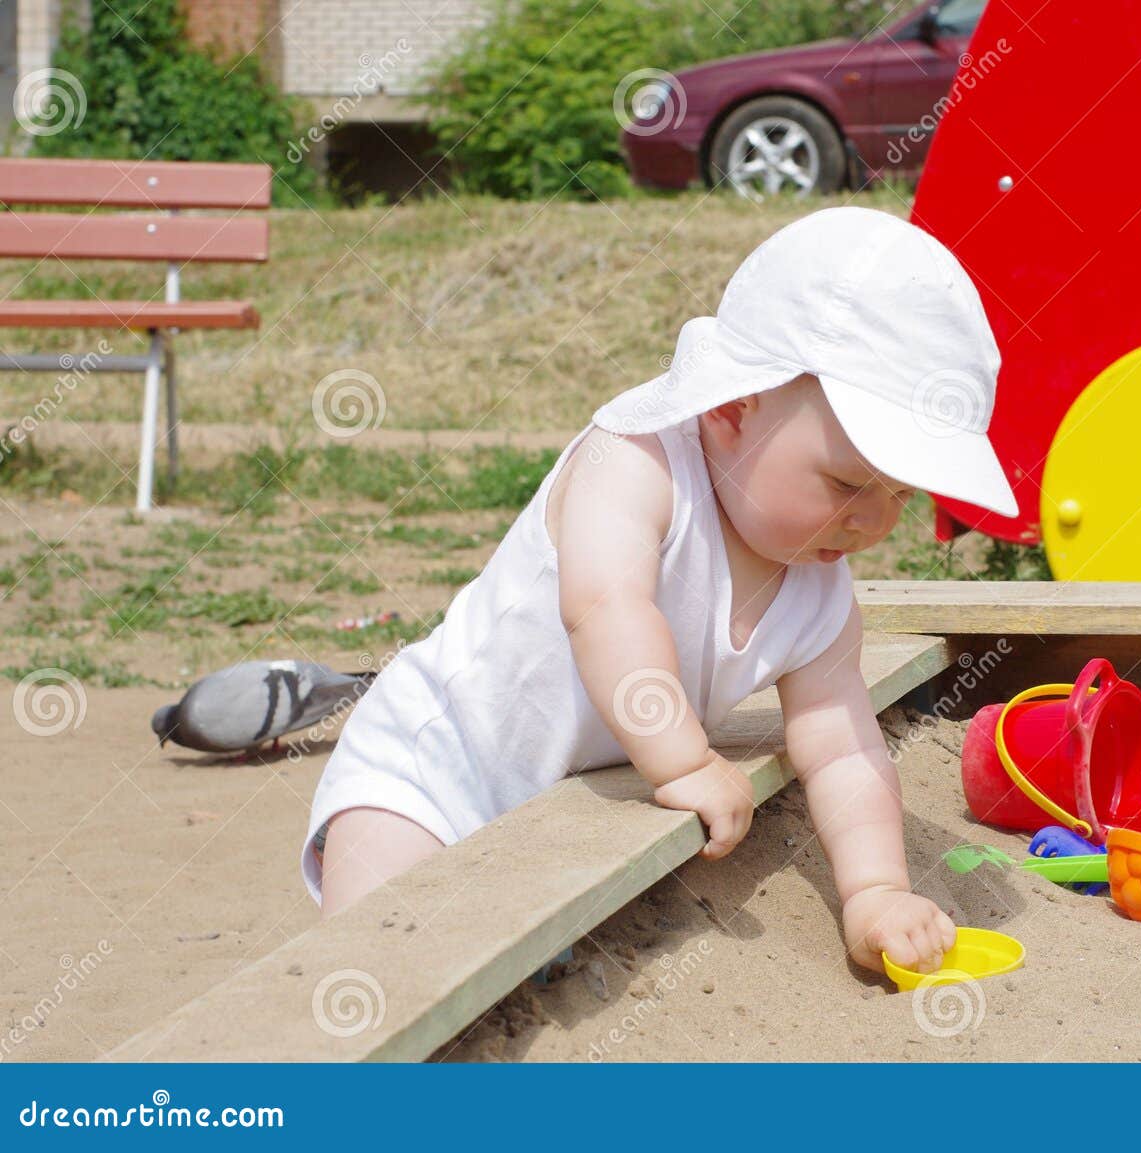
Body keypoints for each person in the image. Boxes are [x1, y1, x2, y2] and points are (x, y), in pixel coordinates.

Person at [302, 206, 1019, 975]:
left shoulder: (818, 592)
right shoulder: (635, 462)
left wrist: (875, 888)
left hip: (557, 820)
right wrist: (681, 760)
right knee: (380, 965)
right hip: (432, 773)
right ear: (731, 407)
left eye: (902, 496)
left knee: (495, 977)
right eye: (847, 482)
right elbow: (605, 607)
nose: (874, 518)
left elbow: (843, 745)